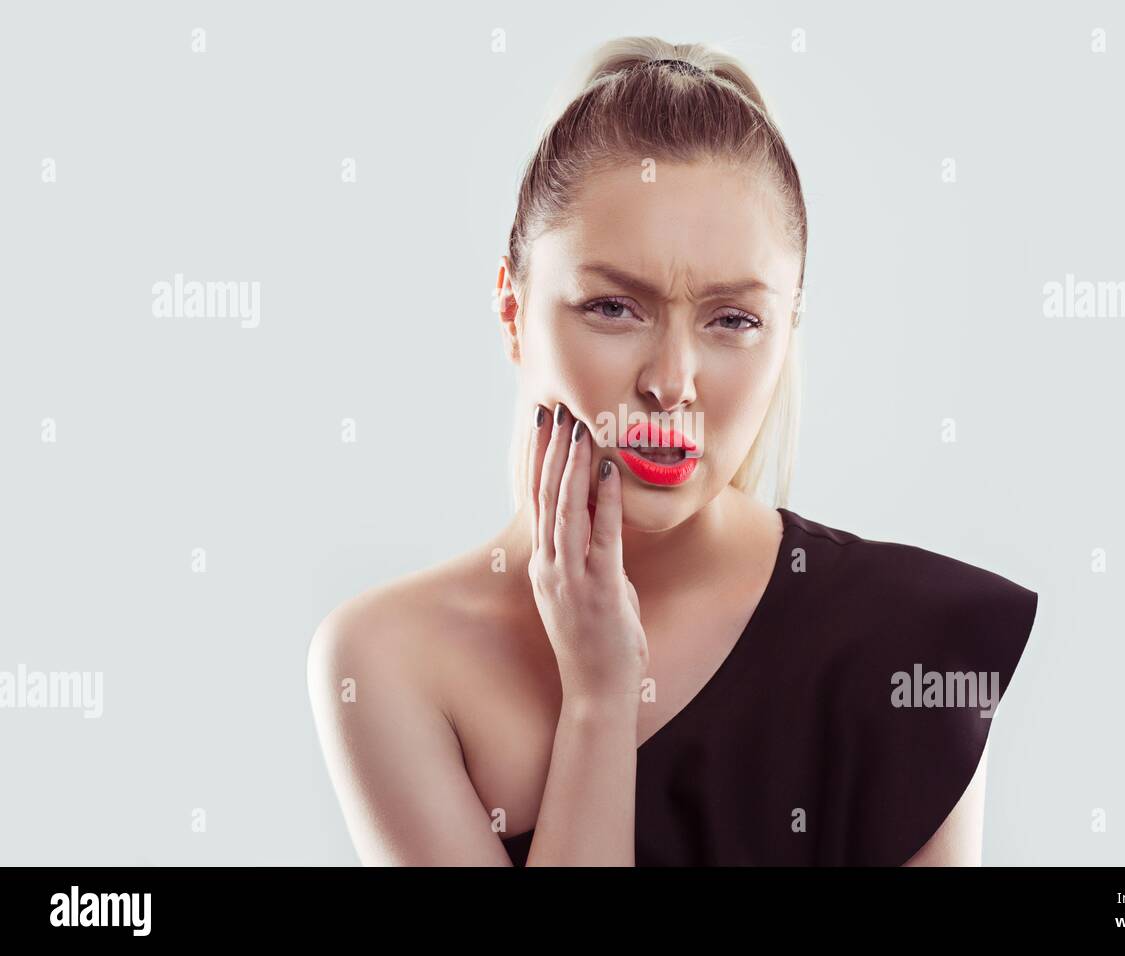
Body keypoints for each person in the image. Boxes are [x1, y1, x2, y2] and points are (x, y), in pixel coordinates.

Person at [307, 36, 1039, 866]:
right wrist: (599, 698)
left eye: (733, 320)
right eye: (614, 307)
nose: (672, 382)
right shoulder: (389, 660)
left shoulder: (912, 640)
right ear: (513, 309)